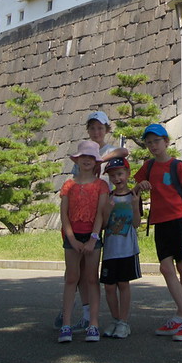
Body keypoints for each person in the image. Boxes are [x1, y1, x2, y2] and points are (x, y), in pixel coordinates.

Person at [55, 110, 129, 332]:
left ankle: (118, 319)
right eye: (93, 128)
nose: (97, 132)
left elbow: (124, 150)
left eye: (101, 128)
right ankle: (86, 313)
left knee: (101, 272)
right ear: (88, 130)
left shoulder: (105, 151)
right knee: (76, 272)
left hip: (107, 214)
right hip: (82, 219)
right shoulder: (82, 155)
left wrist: (100, 159)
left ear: (107, 130)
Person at [134, 123, 182, 342]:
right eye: (149, 142)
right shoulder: (148, 167)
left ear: (166, 142)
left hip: (179, 220)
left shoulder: (176, 165)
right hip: (160, 223)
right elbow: (133, 188)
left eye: (157, 141)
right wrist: (140, 185)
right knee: (165, 267)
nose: (153, 146)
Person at [58, 139, 109, 343]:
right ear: (77, 160)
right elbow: (64, 214)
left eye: (91, 157)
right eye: (83, 157)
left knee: (91, 279)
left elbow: (100, 214)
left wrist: (92, 239)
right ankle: (66, 323)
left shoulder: (101, 185)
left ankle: (93, 324)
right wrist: (71, 238)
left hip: (92, 237)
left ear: (96, 161)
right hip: (72, 237)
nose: (87, 160)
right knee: (71, 278)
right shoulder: (68, 185)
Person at [100, 156, 142, 338]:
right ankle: (115, 319)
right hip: (110, 249)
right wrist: (107, 209)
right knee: (109, 287)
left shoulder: (133, 196)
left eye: (120, 174)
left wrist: (134, 206)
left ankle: (124, 322)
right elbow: (102, 224)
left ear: (127, 173)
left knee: (123, 284)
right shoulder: (107, 197)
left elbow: (137, 223)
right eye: (112, 176)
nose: (117, 179)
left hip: (127, 249)